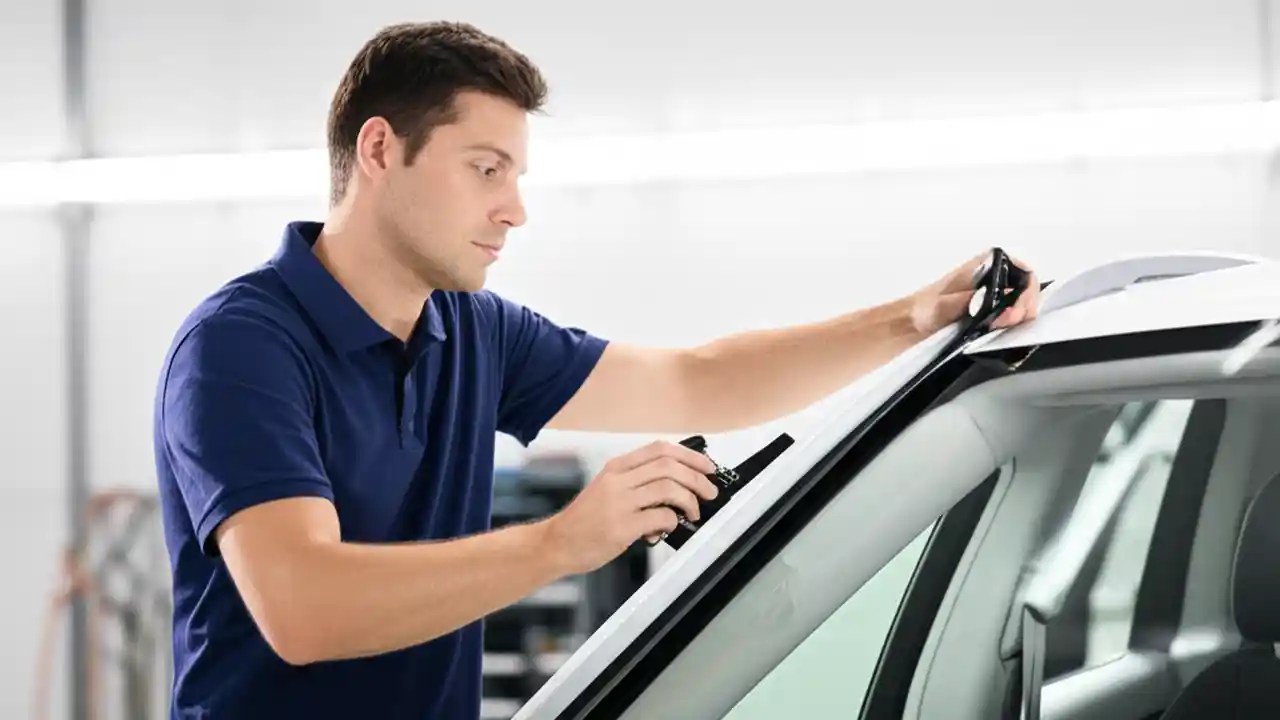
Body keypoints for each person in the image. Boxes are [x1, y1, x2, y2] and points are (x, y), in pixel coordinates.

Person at [152, 20, 1041, 720]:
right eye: (486, 169)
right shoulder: (240, 349)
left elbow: (699, 380)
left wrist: (910, 318)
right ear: (381, 150)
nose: (514, 209)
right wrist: (565, 542)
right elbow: (305, 610)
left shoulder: (472, 331)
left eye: (516, 175)